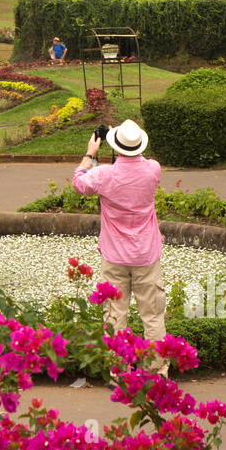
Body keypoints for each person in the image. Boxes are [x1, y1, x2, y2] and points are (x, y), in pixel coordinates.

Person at [71, 119, 167, 373]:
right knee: (153, 317)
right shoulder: (153, 169)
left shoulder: (103, 175)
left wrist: (90, 154)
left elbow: (79, 182)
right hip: (146, 253)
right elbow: (139, 166)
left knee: (114, 315)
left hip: (115, 255)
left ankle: (119, 372)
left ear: (116, 145)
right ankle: (157, 373)